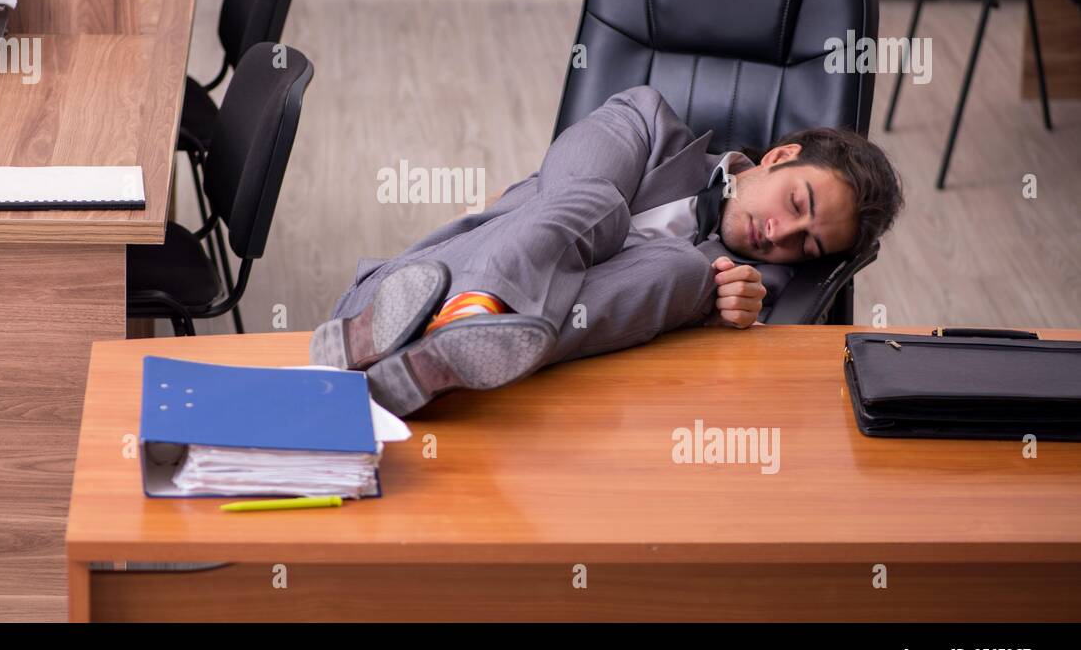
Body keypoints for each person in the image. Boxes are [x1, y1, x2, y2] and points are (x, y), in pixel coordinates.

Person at [311, 85, 904, 416]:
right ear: (779, 157)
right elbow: (576, 197)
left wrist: (732, 307)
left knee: (683, 268)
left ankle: (445, 347)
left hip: (451, 392)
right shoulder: (643, 119)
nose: (779, 235)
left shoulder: (733, 279)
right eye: (796, 204)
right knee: (596, 198)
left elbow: (770, 351)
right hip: (401, 294)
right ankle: (465, 315)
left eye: (806, 245)